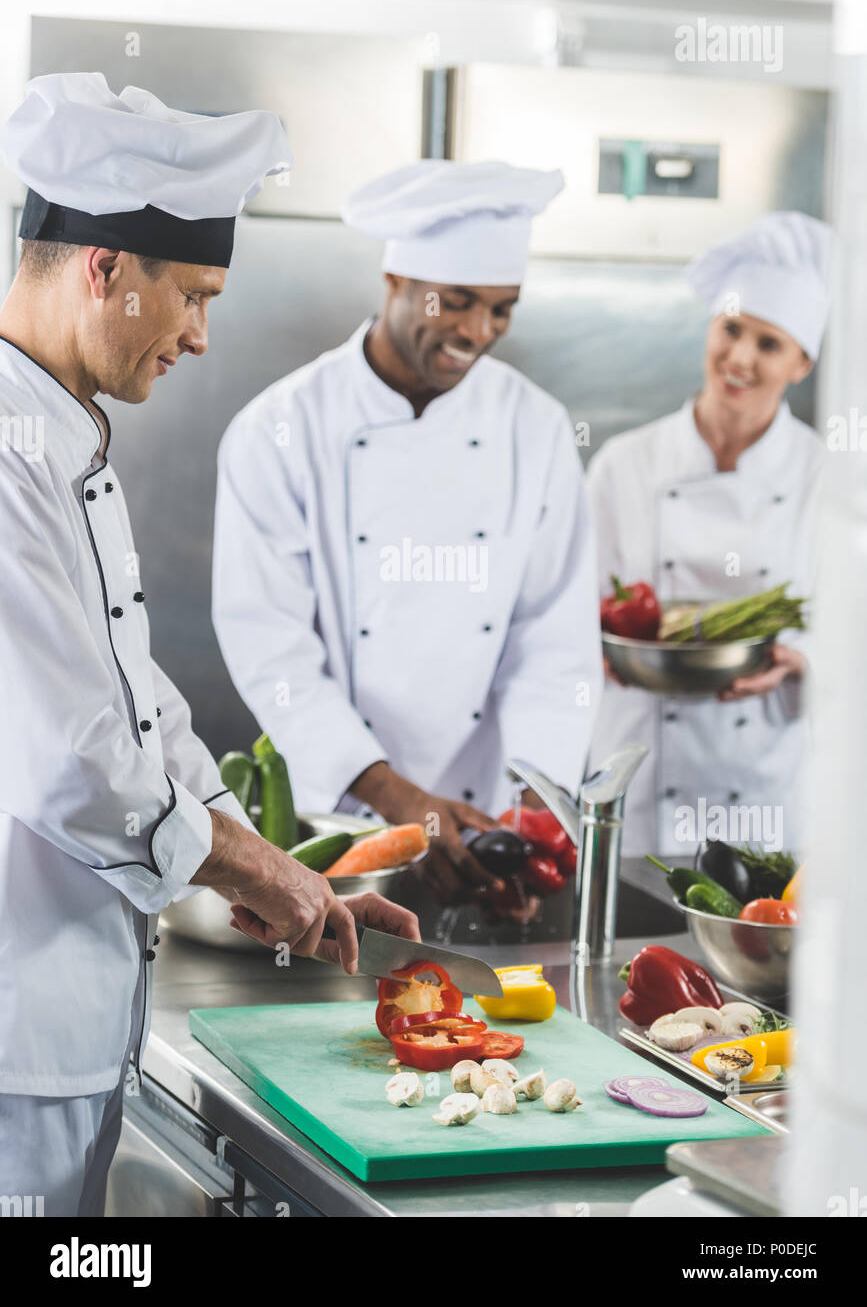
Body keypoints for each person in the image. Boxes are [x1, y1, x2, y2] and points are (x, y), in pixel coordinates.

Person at [0, 73, 419, 1218]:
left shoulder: (59, 440)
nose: (197, 334)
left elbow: (140, 712)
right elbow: (70, 762)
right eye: (191, 295)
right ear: (104, 267)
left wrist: (299, 880)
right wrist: (253, 866)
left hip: (63, 1031)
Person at [212, 159, 602, 905]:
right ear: (394, 281)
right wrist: (392, 796)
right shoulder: (279, 429)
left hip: (487, 817)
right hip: (346, 816)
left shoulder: (537, 429)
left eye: (500, 309)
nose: (477, 332)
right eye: (454, 301)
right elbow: (270, 647)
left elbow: (553, 645)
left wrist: (524, 824)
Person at [586, 211, 831, 857]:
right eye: (730, 329)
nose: (740, 358)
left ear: (801, 362)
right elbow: (573, 611)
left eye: (769, 343)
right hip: (638, 773)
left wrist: (799, 657)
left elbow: (849, 629)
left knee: (748, 938)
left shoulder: (825, 478)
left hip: (758, 784)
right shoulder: (624, 462)